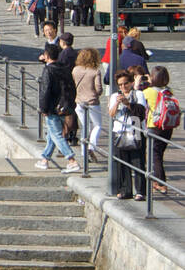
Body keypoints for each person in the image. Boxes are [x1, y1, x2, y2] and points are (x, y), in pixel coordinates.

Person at [36, 43, 81, 173]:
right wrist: (70, 104)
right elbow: (72, 88)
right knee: (52, 134)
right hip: (64, 107)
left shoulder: (48, 70)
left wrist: (43, 109)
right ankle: (45, 159)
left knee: (56, 134)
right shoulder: (65, 68)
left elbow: (45, 91)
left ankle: (71, 160)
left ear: (47, 56)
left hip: (52, 107)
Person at [108, 69, 148, 200]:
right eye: (120, 85)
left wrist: (127, 103)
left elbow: (141, 112)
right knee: (122, 162)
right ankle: (125, 190)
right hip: (120, 130)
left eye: (125, 83)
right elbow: (111, 114)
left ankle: (140, 191)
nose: (123, 87)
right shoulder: (115, 96)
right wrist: (117, 103)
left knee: (138, 161)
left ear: (131, 83)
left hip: (135, 129)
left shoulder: (138, 94)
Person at [143, 66, 176, 195]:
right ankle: (157, 181)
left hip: (154, 126)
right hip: (167, 127)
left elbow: (136, 97)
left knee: (155, 155)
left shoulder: (149, 91)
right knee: (159, 154)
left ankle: (161, 183)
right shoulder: (169, 91)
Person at [72, 47, 104, 163]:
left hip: (79, 102)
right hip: (92, 102)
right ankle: (91, 146)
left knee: (85, 127)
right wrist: (96, 93)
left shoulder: (75, 70)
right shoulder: (95, 71)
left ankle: (83, 151)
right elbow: (99, 89)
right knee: (97, 125)